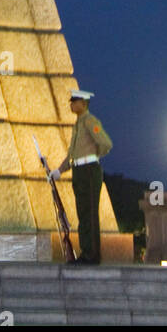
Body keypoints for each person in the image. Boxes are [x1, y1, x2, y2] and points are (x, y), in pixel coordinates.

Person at [50, 89, 112, 264]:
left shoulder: (91, 121)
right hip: (78, 170)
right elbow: (71, 154)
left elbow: (105, 143)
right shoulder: (77, 125)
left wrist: (93, 156)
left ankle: (92, 255)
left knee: (90, 213)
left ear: (83, 103)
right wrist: (59, 171)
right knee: (83, 213)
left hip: (89, 170)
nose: (71, 104)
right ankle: (86, 252)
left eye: (74, 101)